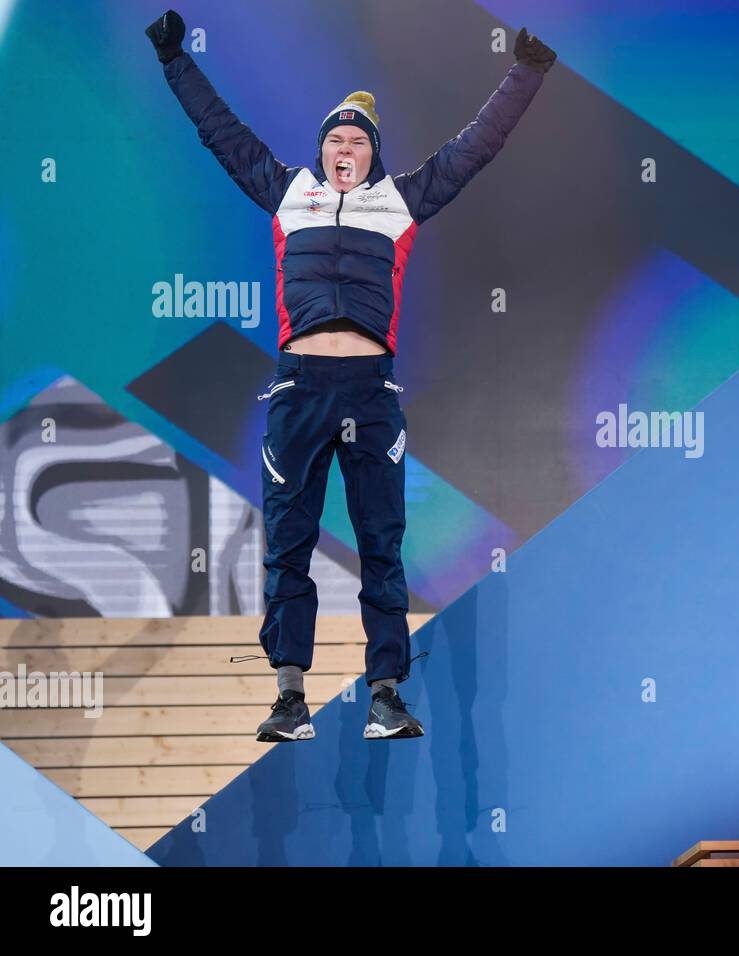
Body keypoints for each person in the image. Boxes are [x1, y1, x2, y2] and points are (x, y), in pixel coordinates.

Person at [144, 10, 555, 741]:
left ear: (371, 154)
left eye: (357, 141)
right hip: (299, 389)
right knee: (290, 544)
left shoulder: (401, 199)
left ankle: (386, 694)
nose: (345, 149)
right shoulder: (286, 191)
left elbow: (476, 148)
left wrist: (526, 73)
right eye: (335, 140)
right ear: (321, 151)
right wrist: (175, 58)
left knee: (381, 545)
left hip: (371, 393)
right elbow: (221, 129)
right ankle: (289, 696)